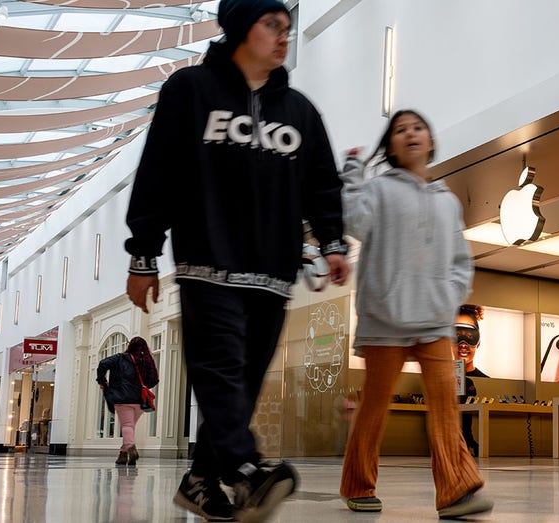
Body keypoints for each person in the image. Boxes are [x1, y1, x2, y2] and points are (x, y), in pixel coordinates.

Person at [123, 0, 350, 520]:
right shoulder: (190, 91)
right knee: (221, 371)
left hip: (273, 273)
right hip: (208, 265)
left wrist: (333, 243)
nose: (283, 35)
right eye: (271, 24)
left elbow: (323, 183)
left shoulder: (299, 111)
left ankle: (201, 479)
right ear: (239, 28)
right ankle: (245, 470)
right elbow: (158, 170)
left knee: (243, 384)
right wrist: (143, 253)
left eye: (287, 28)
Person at [338, 110, 494, 518]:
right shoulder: (377, 189)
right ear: (390, 146)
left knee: (445, 405)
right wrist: (352, 174)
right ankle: (358, 484)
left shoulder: (447, 200)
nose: (410, 134)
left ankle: (456, 491)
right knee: (374, 408)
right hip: (384, 319)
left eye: (418, 128)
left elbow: (462, 260)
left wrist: (450, 295)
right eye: (400, 130)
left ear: (430, 140)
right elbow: (353, 223)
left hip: (434, 320)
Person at [96, 336, 160, 467]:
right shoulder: (148, 360)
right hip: (140, 400)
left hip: (122, 397)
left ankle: (132, 449)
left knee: (127, 426)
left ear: (130, 346)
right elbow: (153, 380)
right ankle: (123, 455)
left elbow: (103, 364)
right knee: (130, 427)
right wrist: (142, 384)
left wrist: (102, 381)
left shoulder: (120, 358)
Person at [456, 304, 486, 456]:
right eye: (456, 335)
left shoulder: (480, 380)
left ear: (478, 342)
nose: (463, 344)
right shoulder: (437, 378)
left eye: (469, 337)